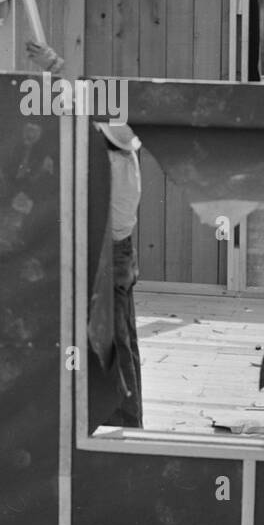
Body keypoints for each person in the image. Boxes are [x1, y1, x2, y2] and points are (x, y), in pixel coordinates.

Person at [95, 121, 145, 429]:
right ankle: (131, 419)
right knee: (126, 339)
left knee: (116, 345)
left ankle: (126, 423)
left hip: (109, 254)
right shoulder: (128, 160)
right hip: (122, 252)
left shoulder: (107, 165)